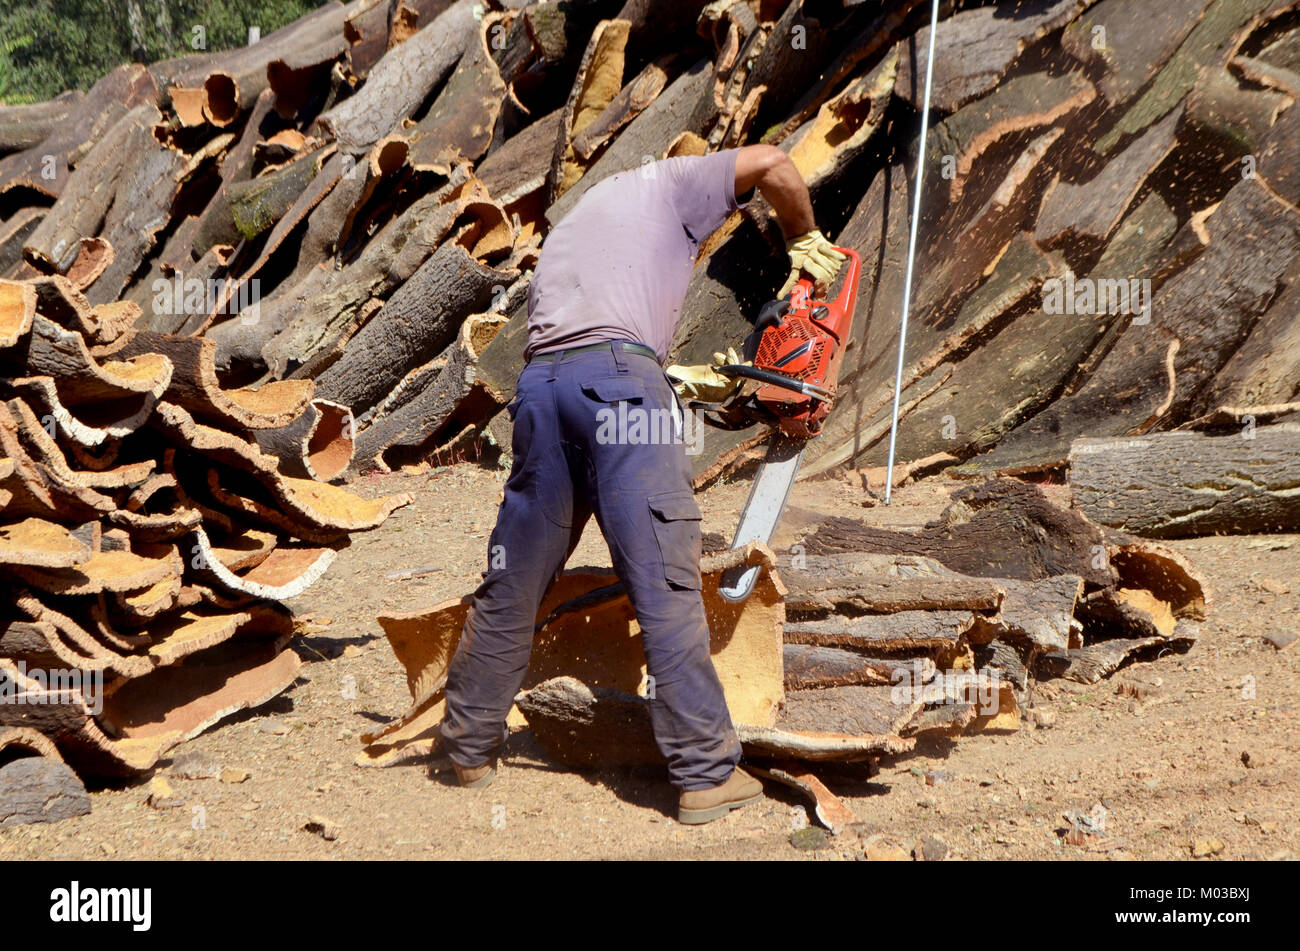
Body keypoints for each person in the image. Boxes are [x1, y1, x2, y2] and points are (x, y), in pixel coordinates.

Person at [438, 144, 845, 825]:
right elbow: (774, 163)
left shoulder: (576, 223)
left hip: (541, 392)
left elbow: (588, 342)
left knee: (514, 576)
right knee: (664, 573)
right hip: (619, 389)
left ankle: (468, 745)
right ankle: (705, 770)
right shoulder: (673, 181)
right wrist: (805, 237)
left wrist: (663, 374)